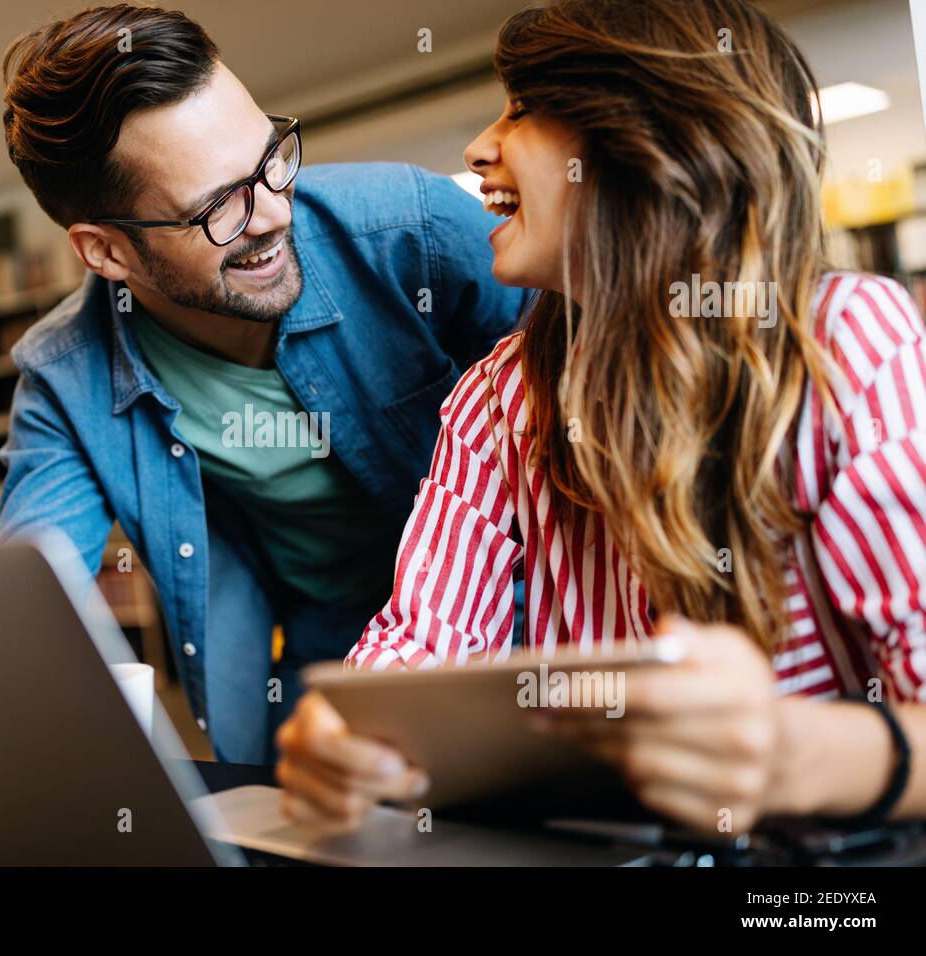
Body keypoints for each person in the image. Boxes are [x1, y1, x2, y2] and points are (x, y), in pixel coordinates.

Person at [0, 3, 528, 804]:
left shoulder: (417, 231)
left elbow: (598, 413)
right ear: (106, 251)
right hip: (328, 648)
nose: (274, 211)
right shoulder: (66, 374)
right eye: (219, 208)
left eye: (272, 161)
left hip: (520, 614)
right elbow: (37, 586)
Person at [276, 0, 926, 835]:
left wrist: (787, 755)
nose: (479, 149)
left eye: (523, 110)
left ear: (647, 142)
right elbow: (416, 649)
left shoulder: (847, 344)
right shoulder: (496, 398)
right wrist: (347, 738)